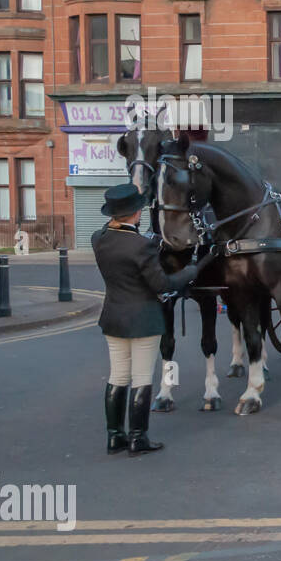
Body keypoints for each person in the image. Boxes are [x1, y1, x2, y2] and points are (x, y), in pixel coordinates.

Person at [92, 184, 211, 456]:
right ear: (135, 213)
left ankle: (114, 437)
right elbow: (161, 284)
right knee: (142, 378)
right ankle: (138, 437)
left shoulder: (98, 239)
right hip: (143, 317)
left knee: (118, 376)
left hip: (113, 316)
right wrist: (189, 272)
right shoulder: (140, 245)